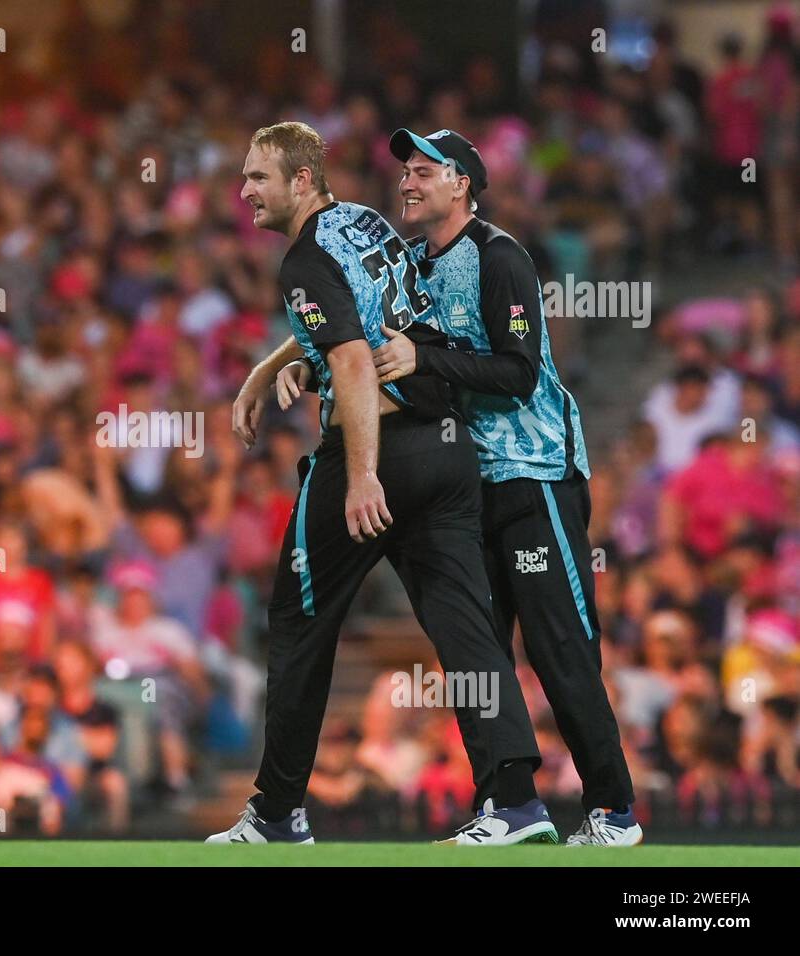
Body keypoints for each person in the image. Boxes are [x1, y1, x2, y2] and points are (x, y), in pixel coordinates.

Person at [210, 121, 550, 846]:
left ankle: (277, 812)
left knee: (300, 621)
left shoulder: (301, 259)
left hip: (374, 454)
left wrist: (361, 475)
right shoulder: (363, 219)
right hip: (446, 451)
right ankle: (517, 803)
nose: (244, 191)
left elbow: (355, 361)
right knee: (467, 628)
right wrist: (273, 365)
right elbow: (361, 323)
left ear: (301, 180)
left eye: (257, 177)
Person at [368, 127, 641, 846]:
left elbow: (518, 373)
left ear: (462, 183)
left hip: (534, 475)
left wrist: (427, 361)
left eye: (424, 171)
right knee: (476, 655)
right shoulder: (413, 267)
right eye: (405, 171)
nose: (408, 181)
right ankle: (511, 803)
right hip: (465, 490)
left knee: (559, 647)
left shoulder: (500, 257)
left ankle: (612, 811)